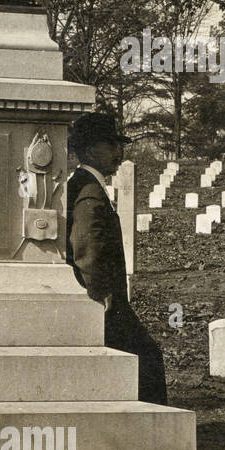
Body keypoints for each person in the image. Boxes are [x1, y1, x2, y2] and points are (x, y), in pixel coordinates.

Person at [65, 113, 168, 406]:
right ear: (87, 150)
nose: (118, 152)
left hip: (108, 300)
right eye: (109, 145)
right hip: (107, 303)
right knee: (146, 357)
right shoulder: (89, 192)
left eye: (118, 145)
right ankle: (150, 430)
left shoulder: (87, 184)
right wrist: (102, 294)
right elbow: (86, 245)